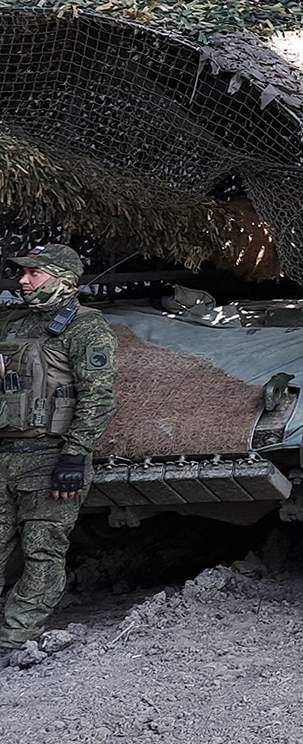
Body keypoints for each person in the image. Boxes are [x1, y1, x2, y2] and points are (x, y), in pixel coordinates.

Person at [0, 244, 115, 668]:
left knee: (41, 551)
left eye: (34, 273)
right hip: (3, 454)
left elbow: (98, 398)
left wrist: (74, 457)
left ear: (64, 280)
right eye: (22, 274)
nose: (24, 281)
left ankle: (15, 640)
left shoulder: (85, 328)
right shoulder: (10, 322)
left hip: (49, 459)